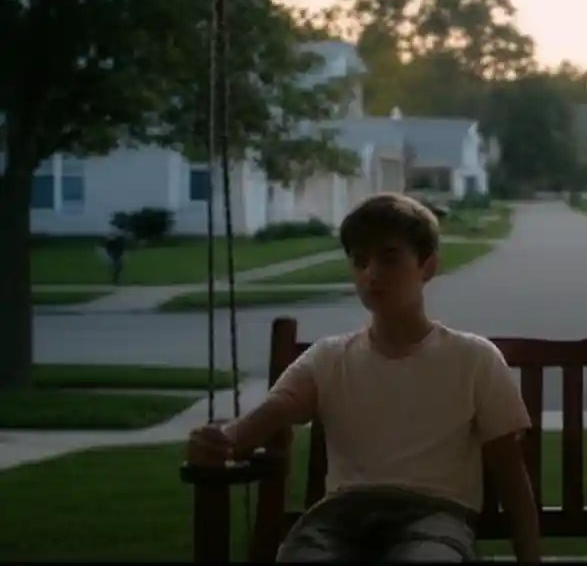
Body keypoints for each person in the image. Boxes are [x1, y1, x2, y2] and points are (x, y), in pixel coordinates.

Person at [186, 193, 541, 562]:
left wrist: (530, 558)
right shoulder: (329, 358)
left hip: (434, 515)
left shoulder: (474, 359)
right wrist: (223, 440)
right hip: (340, 517)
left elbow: (510, 472)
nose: (372, 273)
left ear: (427, 267)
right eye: (360, 261)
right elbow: (277, 410)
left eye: (389, 257)